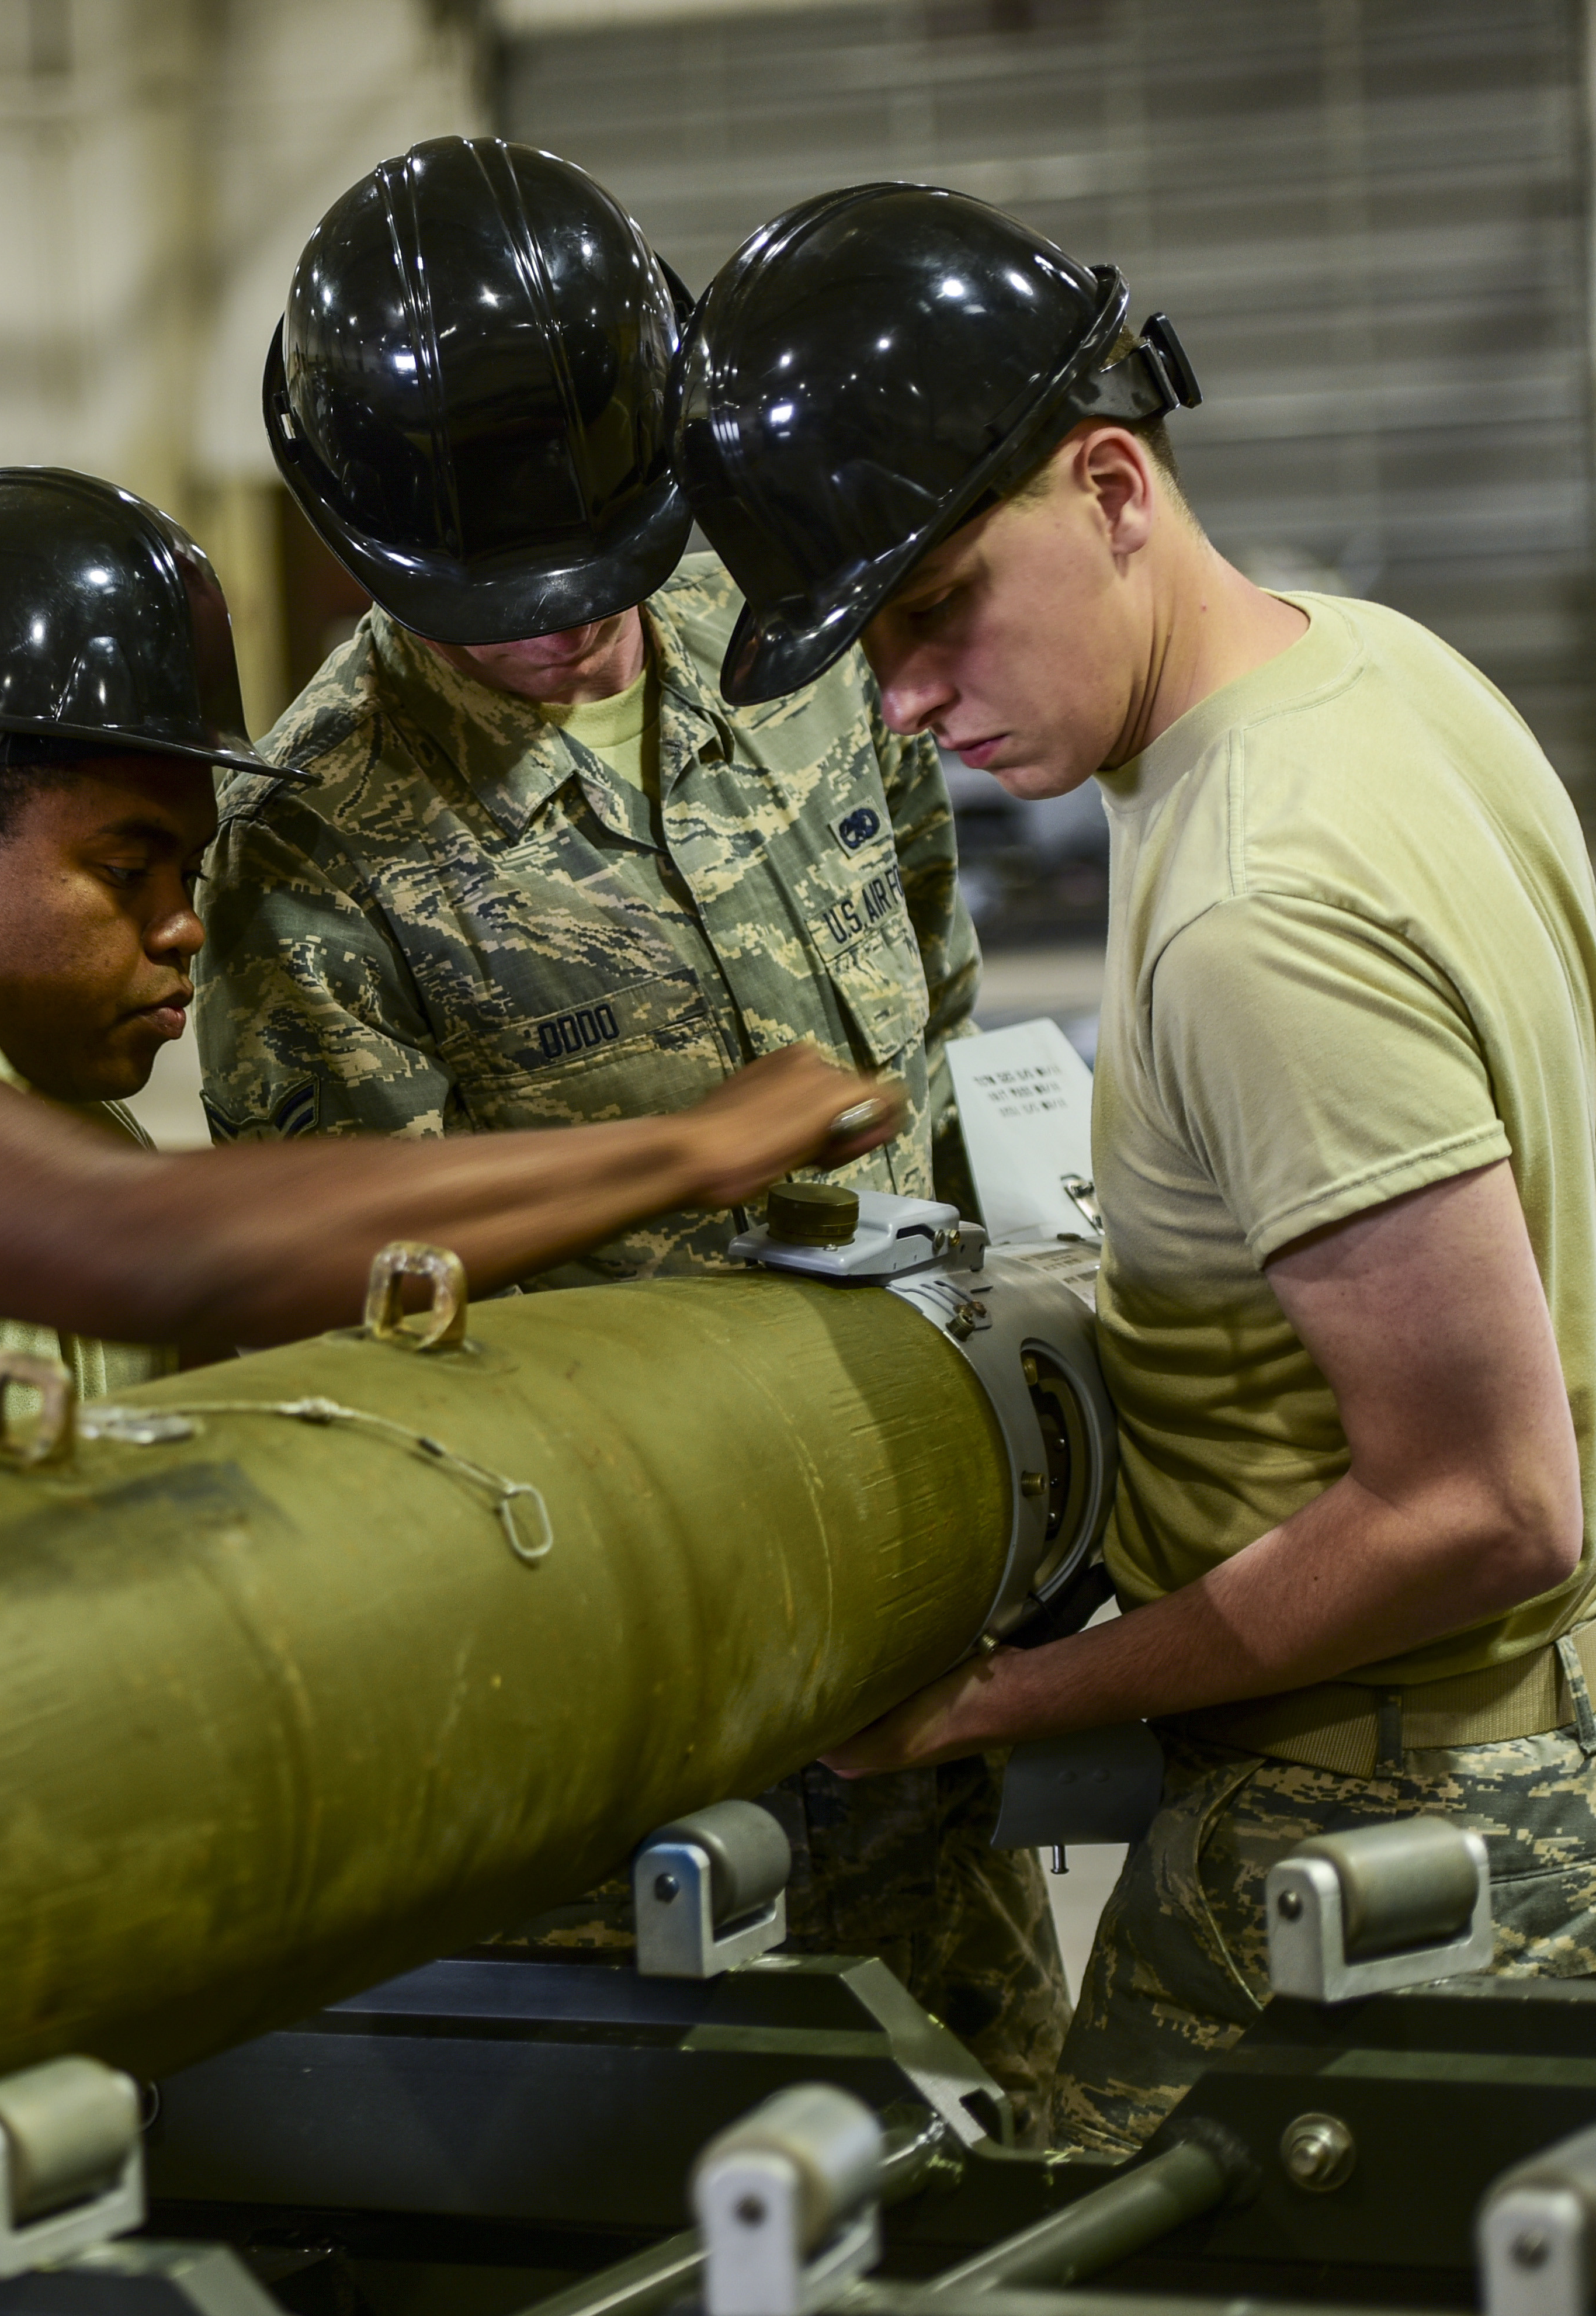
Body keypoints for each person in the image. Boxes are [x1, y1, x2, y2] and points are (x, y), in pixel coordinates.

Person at [676, 181, 1596, 2153]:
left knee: (1083, 2248)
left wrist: (999, 1705)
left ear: (1110, 489)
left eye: (936, 608)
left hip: (1378, 1798)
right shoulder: (1379, 673)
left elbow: (1486, 1505)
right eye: (869, 647)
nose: (904, 700)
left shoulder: (1259, 903)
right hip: (1503, 1739)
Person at [190, 138, 1061, 2126]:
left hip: (931, 1658)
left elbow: (937, 1019)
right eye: (497, 604)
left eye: (604, 569)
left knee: (999, 2171)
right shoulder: (316, 850)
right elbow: (364, 1342)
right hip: (642, 1769)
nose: (569, 631)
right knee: (699, 2220)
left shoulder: (794, 642)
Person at [0, 464, 906, 1492]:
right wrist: (688, 1150)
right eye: (125, 870)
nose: (182, 927)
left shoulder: (61, 1117)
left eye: (187, 871)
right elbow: (149, 1244)